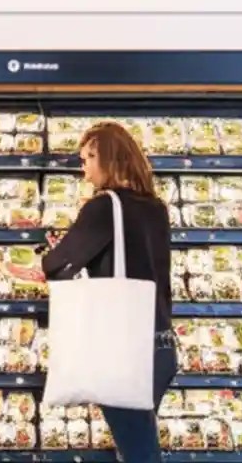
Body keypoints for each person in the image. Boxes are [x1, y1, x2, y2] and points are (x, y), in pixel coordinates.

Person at [40, 121, 175, 463]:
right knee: (135, 443)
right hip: (161, 348)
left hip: (124, 353)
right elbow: (143, 265)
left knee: (141, 454)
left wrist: (53, 257)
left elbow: (57, 264)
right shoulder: (156, 208)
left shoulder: (104, 206)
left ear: (111, 158)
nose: (84, 169)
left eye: (88, 158)